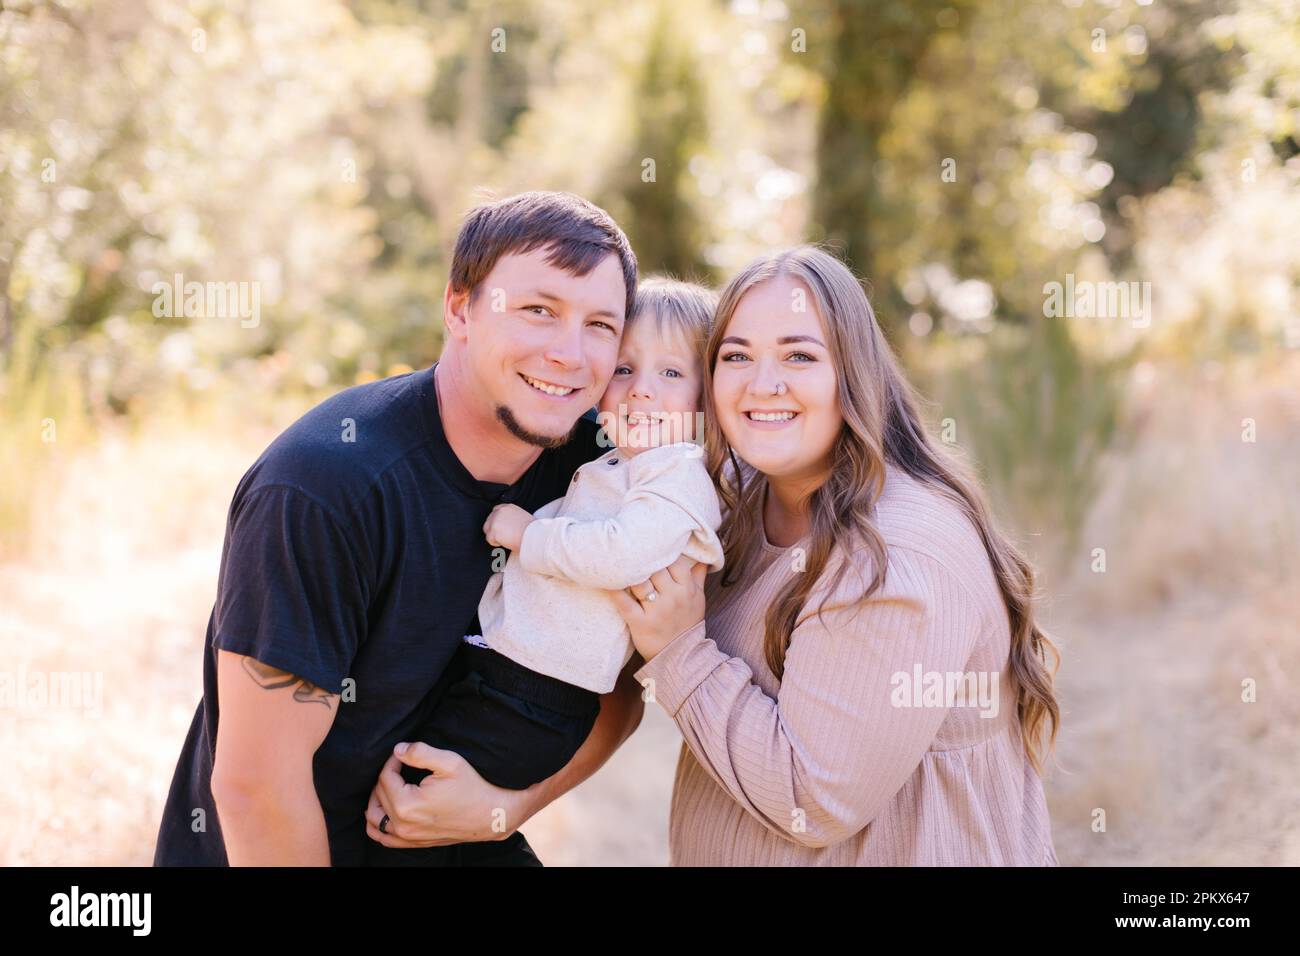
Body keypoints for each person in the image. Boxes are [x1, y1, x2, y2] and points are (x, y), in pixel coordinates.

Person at [153, 190, 643, 866]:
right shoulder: (324, 487)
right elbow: (256, 789)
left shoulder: (601, 473)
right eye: (539, 310)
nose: (571, 353)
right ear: (459, 309)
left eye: (601, 325)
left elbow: (616, 692)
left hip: (457, 843)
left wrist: (503, 811)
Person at [612, 245, 1062, 865]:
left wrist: (679, 651)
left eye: (799, 355)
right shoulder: (739, 496)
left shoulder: (895, 558)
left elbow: (815, 797)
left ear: (852, 371)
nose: (762, 384)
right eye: (736, 356)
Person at [364, 278, 725, 866]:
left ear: (707, 395)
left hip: (538, 696)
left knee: (421, 802)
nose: (641, 390)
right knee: (425, 801)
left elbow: (619, 553)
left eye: (670, 373)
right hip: (508, 671)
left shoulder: (678, 477)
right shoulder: (622, 463)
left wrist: (527, 534)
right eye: (625, 370)